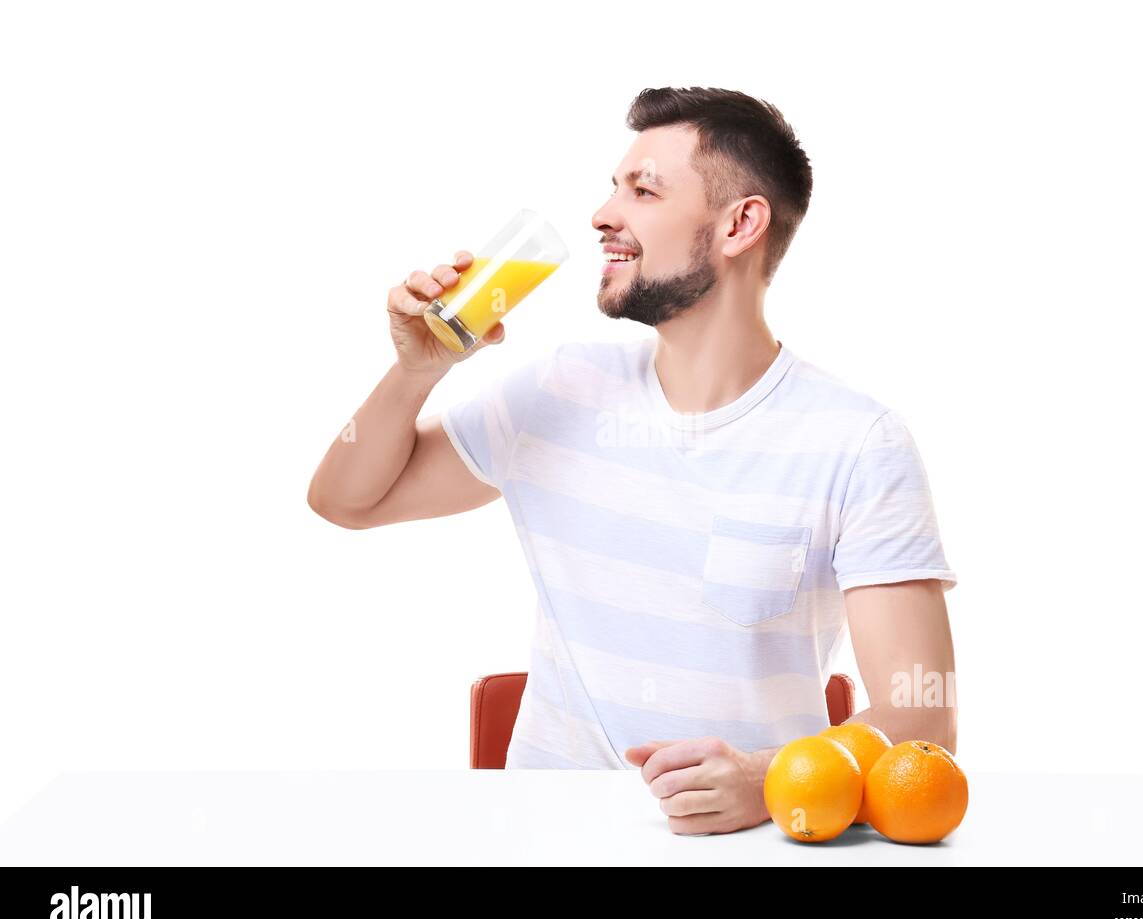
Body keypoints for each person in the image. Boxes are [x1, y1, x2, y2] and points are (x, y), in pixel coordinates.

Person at [308, 86, 958, 835]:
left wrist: (771, 780)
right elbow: (344, 500)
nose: (603, 215)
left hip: (748, 845)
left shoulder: (858, 443)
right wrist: (418, 370)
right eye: (613, 187)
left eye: (642, 190)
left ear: (740, 224)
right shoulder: (560, 390)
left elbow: (924, 723)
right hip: (545, 838)